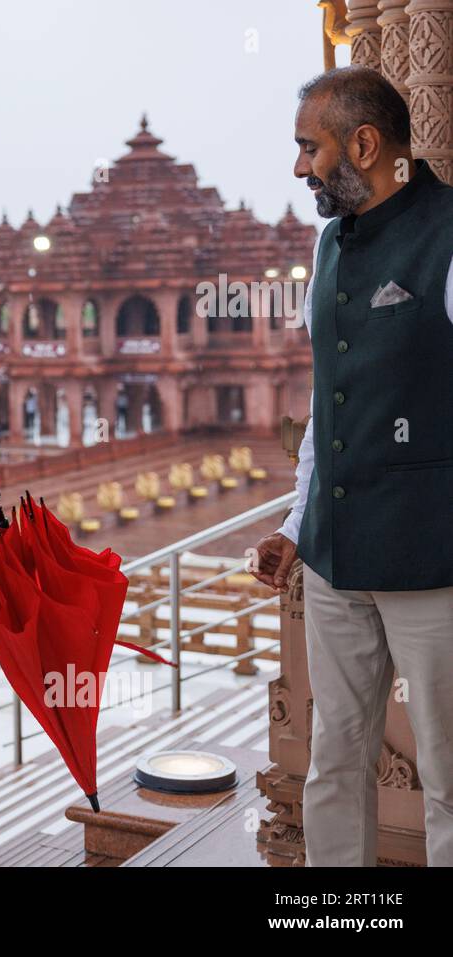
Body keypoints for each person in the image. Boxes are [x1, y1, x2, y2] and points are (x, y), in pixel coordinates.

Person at [252, 66, 453, 867]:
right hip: (335, 560)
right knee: (335, 760)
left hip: (432, 561)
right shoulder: (328, 241)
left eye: (312, 147)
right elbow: (326, 399)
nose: (300, 167)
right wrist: (296, 526)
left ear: (365, 145)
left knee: (447, 774)